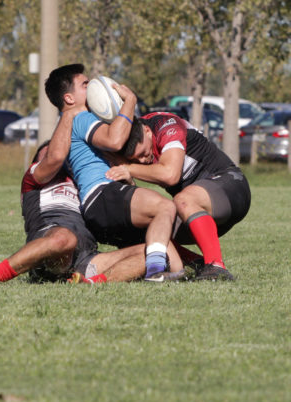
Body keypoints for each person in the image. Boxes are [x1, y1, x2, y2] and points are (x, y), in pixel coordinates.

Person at [0, 107, 179, 287]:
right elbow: (53, 158)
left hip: (84, 258)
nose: (58, 159)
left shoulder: (81, 182)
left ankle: (90, 283)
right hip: (52, 247)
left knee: (150, 251)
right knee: (65, 238)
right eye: (48, 153)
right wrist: (70, 113)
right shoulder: (33, 179)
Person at [46, 64, 180, 282]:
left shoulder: (77, 121)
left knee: (172, 262)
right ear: (69, 98)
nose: (92, 87)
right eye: (85, 84)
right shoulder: (80, 118)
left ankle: (92, 281)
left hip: (100, 205)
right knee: (164, 206)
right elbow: (114, 140)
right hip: (101, 195)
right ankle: (155, 271)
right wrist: (130, 102)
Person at [107, 112, 250, 280]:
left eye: (144, 153)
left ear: (147, 130)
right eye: (136, 159)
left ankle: (216, 266)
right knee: (144, 222)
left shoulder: (165, 124)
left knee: (183, 200)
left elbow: (170, 175)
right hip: (196, 214)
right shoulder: (128, 148)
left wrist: (128, 167)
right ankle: (196, 265)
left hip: (231, 187)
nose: (144, 160)